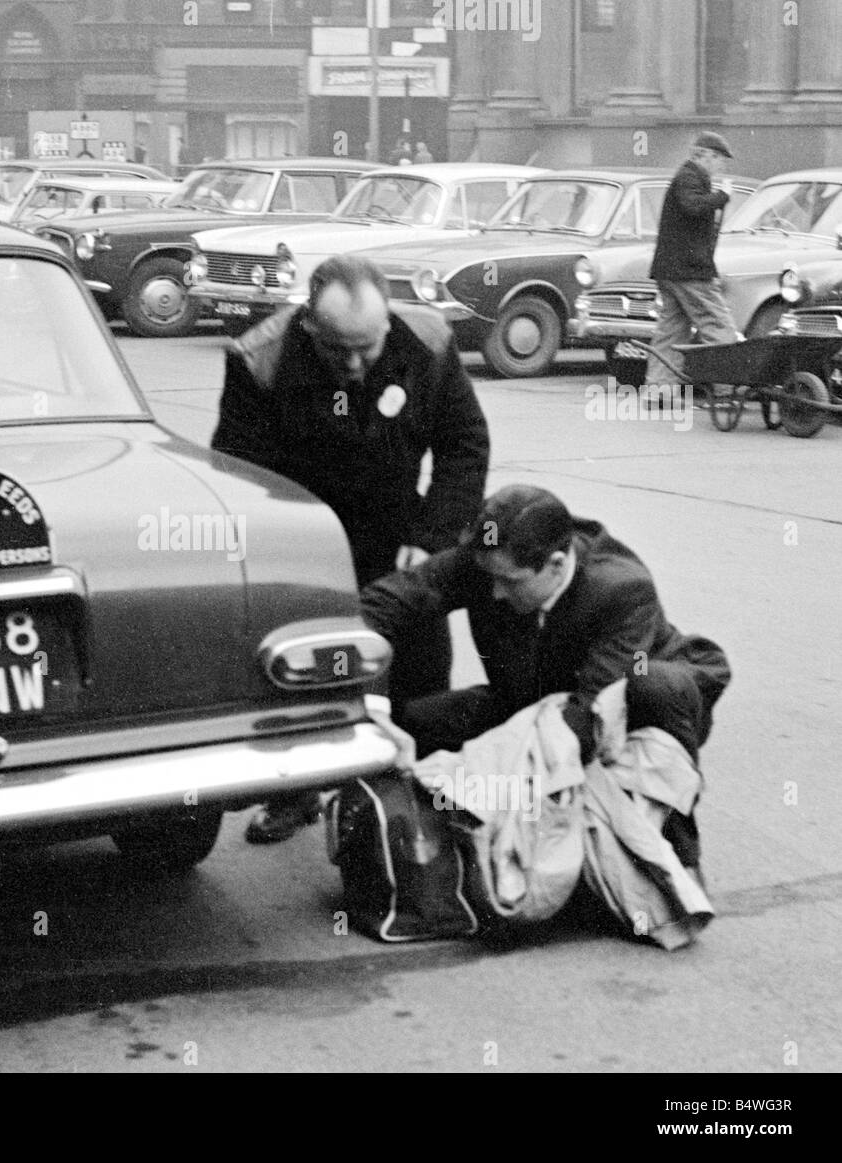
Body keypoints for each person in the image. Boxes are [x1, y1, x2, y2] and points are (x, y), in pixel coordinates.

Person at [211, 254, 490, 843]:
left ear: (387, 318)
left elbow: (464, 444)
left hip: (402, 537)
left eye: (371, 346)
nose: (360, 365)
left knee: (420, 675)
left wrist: (434, 536)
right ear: (311, 325)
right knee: (305, 678)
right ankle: (296, 793)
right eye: (343, 351)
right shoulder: (260, 360)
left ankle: (419, 799)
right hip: (304, 542)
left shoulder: (427, 341)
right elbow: (239, 475)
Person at [360, 484, 730, 880]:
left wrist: (475, 773)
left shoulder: (622, 590)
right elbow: (381, 603)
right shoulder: (490, 561)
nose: (495, 593)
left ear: (556, 565)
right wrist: (376, 712)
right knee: (409, 725)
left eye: (511, 582)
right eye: (490, 578)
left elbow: (586, 720)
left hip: (629, 711)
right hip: (531, 699)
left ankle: (678, 859)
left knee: (655, 686)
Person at [645, 132, 738, 393]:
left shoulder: (690, 177)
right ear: (705, 155)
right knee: (719, 327)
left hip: (672, 270)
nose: (722, 165)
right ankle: (727, 388)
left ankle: (658, 390)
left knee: (671, 333)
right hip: (689, 271)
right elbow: (693, 206)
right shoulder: (689, 177)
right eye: (719, 159)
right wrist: (723, 197)